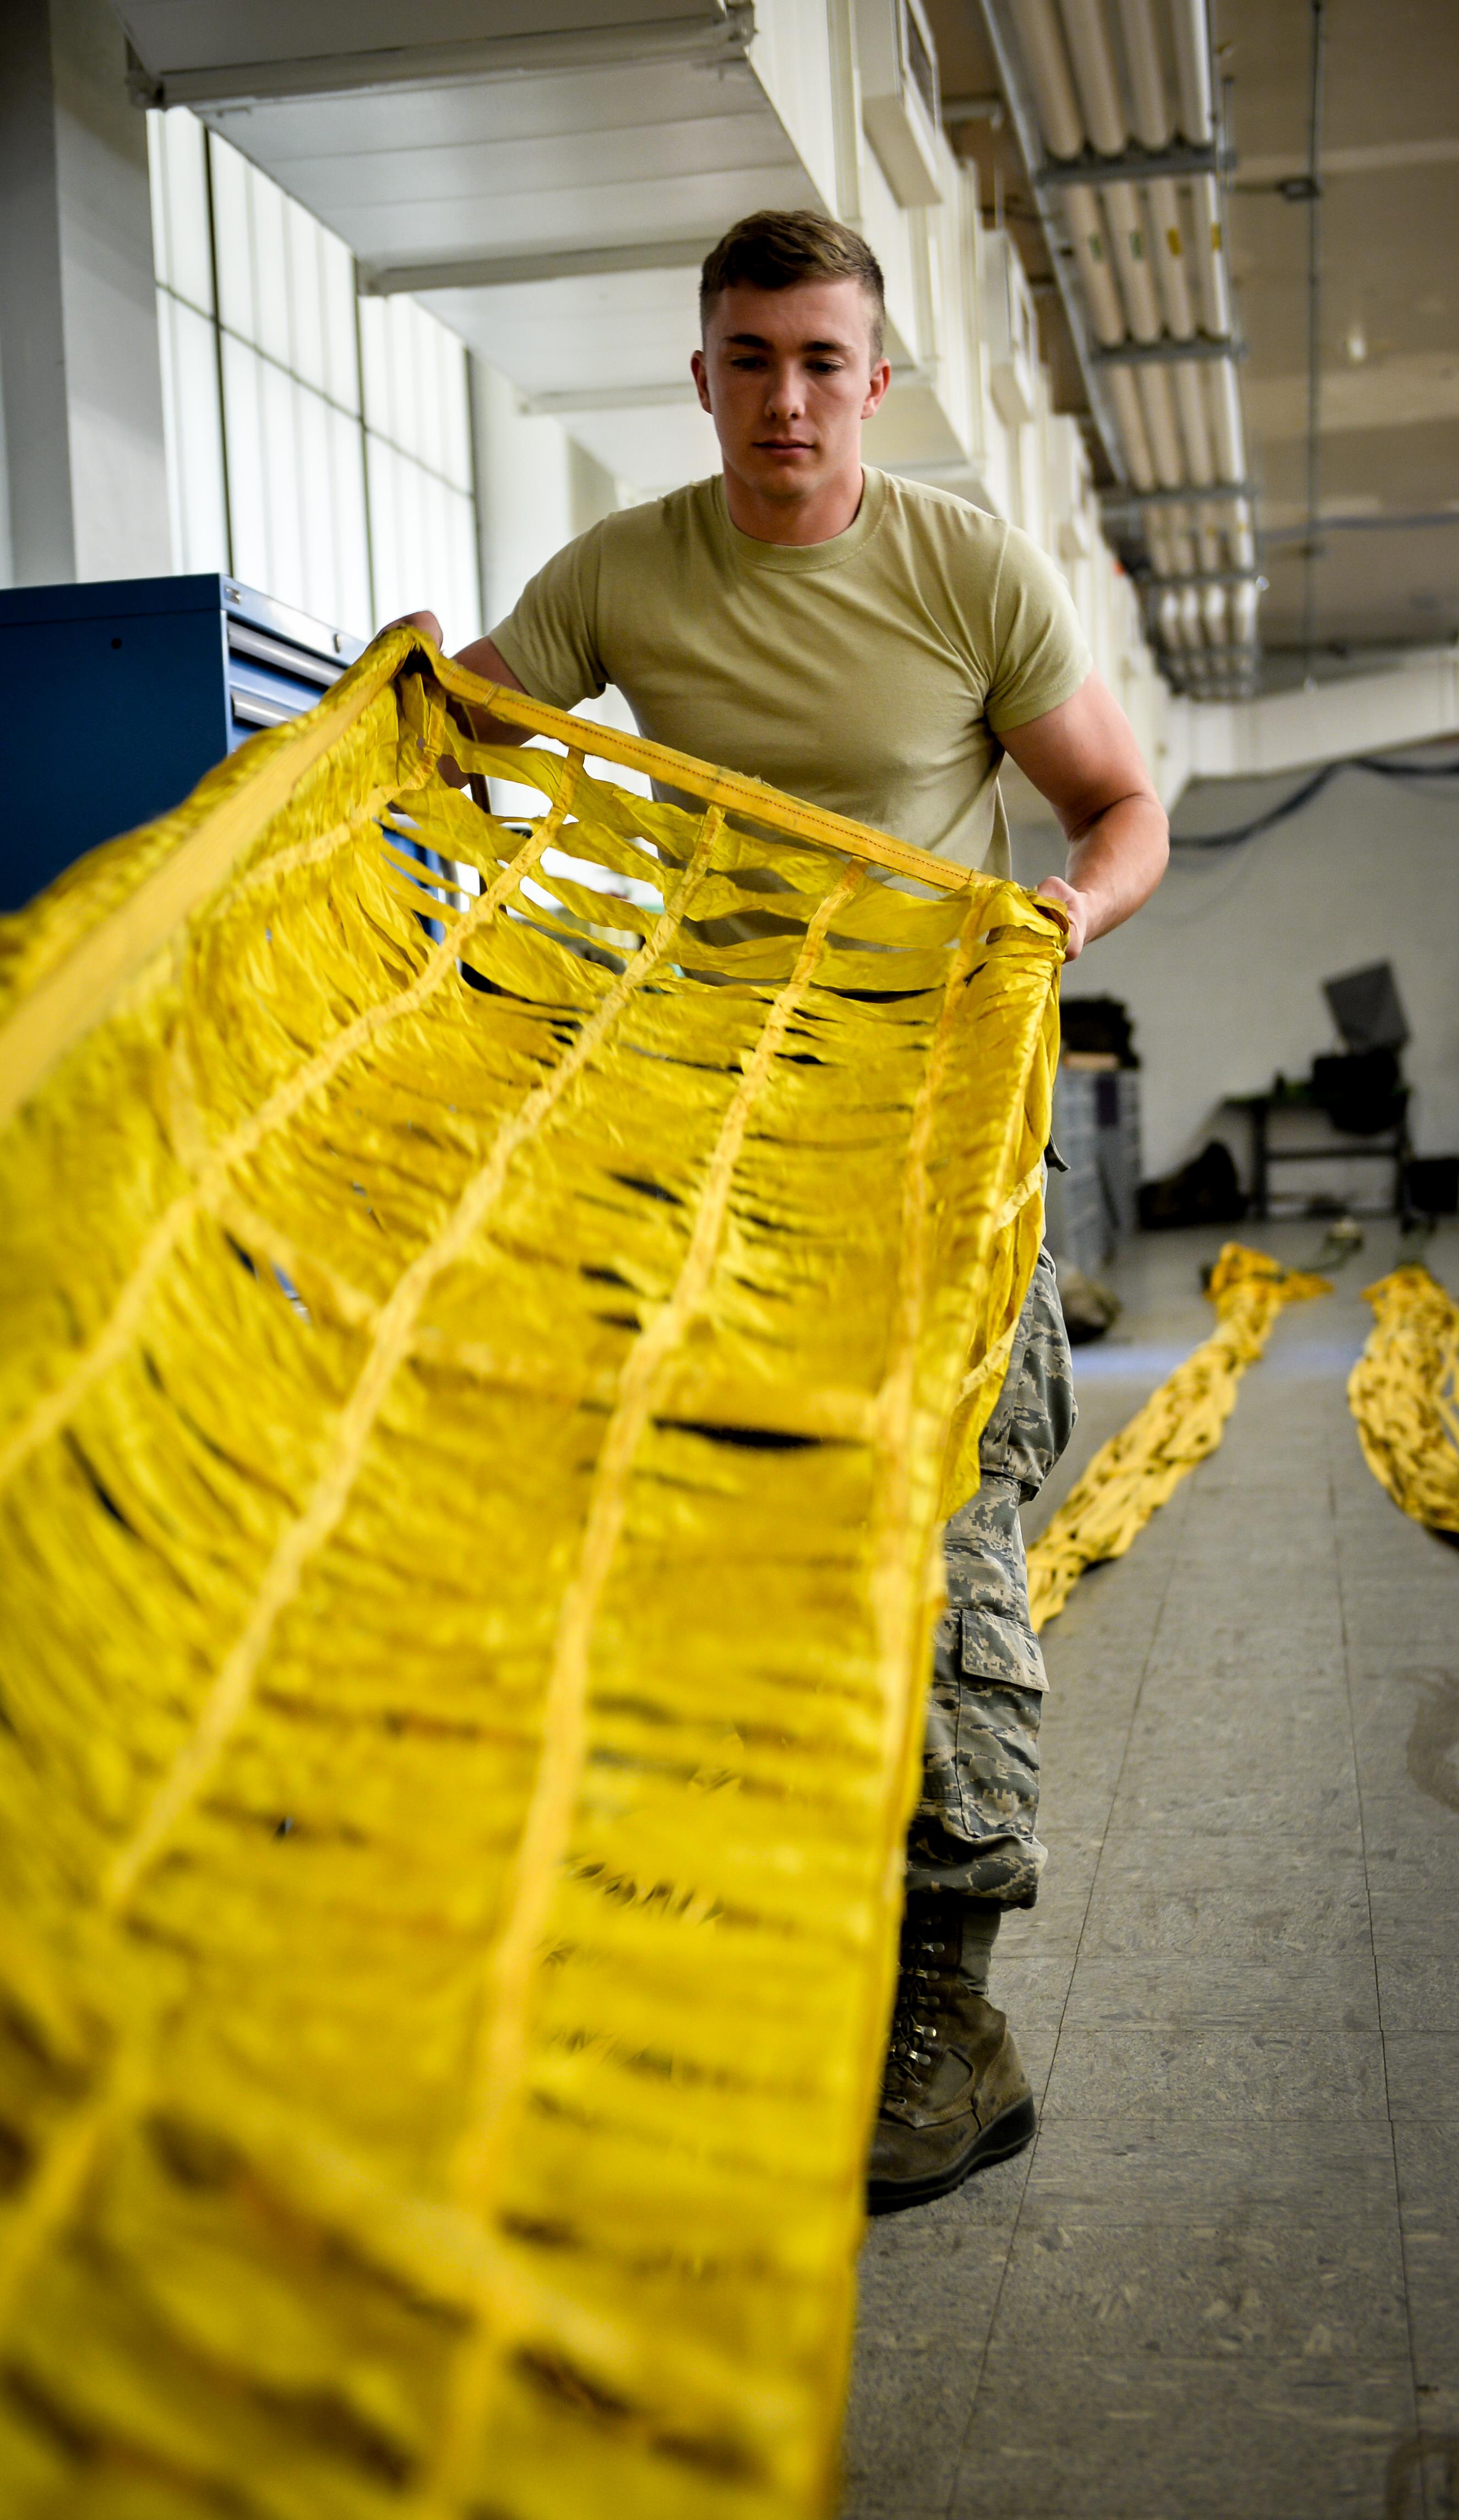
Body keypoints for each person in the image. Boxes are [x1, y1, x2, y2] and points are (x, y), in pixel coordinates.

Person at [396, 208, 1169, 2214]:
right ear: (703, 376)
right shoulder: (624, 575)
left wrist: (1059, 919)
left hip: (944, 1127)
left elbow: (1121, 801)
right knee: (722, 1530)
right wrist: (400, 737)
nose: (786, 398)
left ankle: (957, 2013)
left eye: (823, 360)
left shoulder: (958, 567)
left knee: (947, 1537)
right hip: (727, 1140)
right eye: (750, 358)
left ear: (876, 381)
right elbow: (455, 734)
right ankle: (758, 1953)